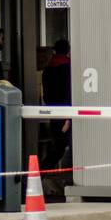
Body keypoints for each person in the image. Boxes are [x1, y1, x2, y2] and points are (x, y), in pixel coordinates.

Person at [40, 38, 72, 187]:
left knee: (57, 148)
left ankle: (38, 176)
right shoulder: (68, 69)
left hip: (53, 113)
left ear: (54, 51)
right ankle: (37, 176)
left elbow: (45, 94)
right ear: (68, 51)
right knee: (60, 149)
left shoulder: (47, 69)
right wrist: (68, 118)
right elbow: (69, 93)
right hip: (66, 114)